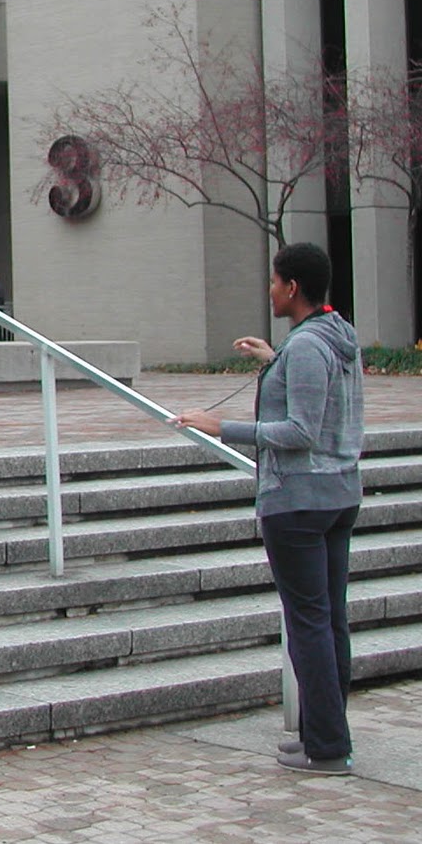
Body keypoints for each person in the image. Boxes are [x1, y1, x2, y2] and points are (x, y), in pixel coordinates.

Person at [173, 243, 363, 776]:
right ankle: (327, 735)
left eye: (275, 282)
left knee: (310, 623)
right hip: (339, 493)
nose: (270, 291)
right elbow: (316, 400)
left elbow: (300, 432)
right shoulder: (334, 336)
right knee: (330, 619)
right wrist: (272, 359)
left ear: (293, 288)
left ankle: (324, 747)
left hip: (300, 499)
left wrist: (221, 427)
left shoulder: (307, 347)